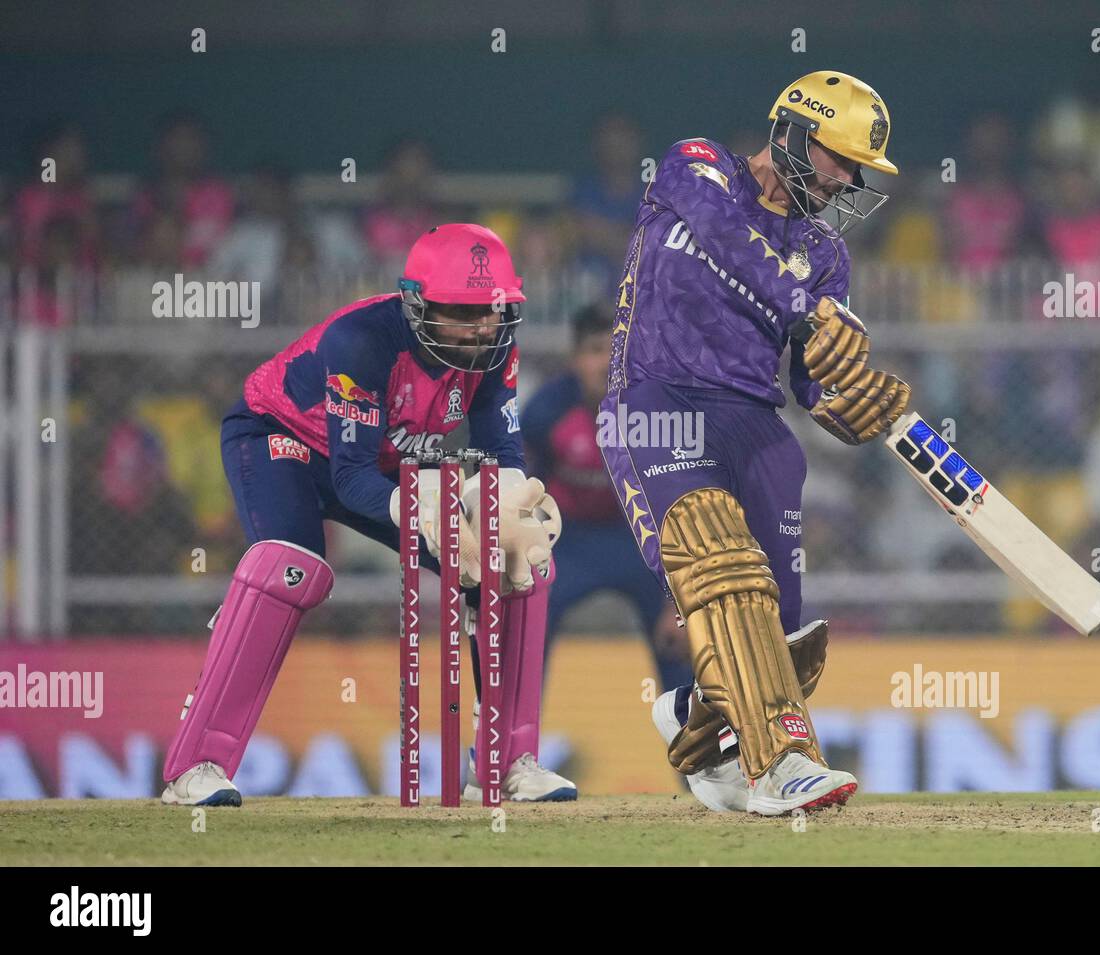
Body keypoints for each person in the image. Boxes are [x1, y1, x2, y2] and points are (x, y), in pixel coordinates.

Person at [160, 223, 573, 806]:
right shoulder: (362, 341)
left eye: (493, 309)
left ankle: (509, 763)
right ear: (416, 303)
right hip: (283, 441)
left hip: (380, 464)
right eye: (464, 310)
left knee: (515, 561)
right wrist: (426, 507)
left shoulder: (493, 348)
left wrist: (500, 516)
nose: (483, 326)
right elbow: (351, 479)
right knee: (291, 569)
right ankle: (195, 766)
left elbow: (504, 458)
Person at [601, 71, 911, 815]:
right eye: (837, 158)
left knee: (786, 634)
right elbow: (722, 236)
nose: (845, 181)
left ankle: (697, 720)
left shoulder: (825, 253)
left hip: (756, 426)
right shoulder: (697, 166)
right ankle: (785, 762)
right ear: (791, 132)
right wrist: (807, 312)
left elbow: (811, 380)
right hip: (657, 401)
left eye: (856, 170)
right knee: (721, 564)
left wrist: (846, 395)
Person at [522, 306, 691, 690]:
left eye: (620, 350)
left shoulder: (659, 412)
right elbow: (523, 493)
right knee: (525, 632)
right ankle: (517, 743)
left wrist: (679, 604)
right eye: (597, 350)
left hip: (640, 543)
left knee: (683, 641)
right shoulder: (545, 413)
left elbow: (679, 507)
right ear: (575, 359)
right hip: (568, 541)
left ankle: (697, 741)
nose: (608, 362)